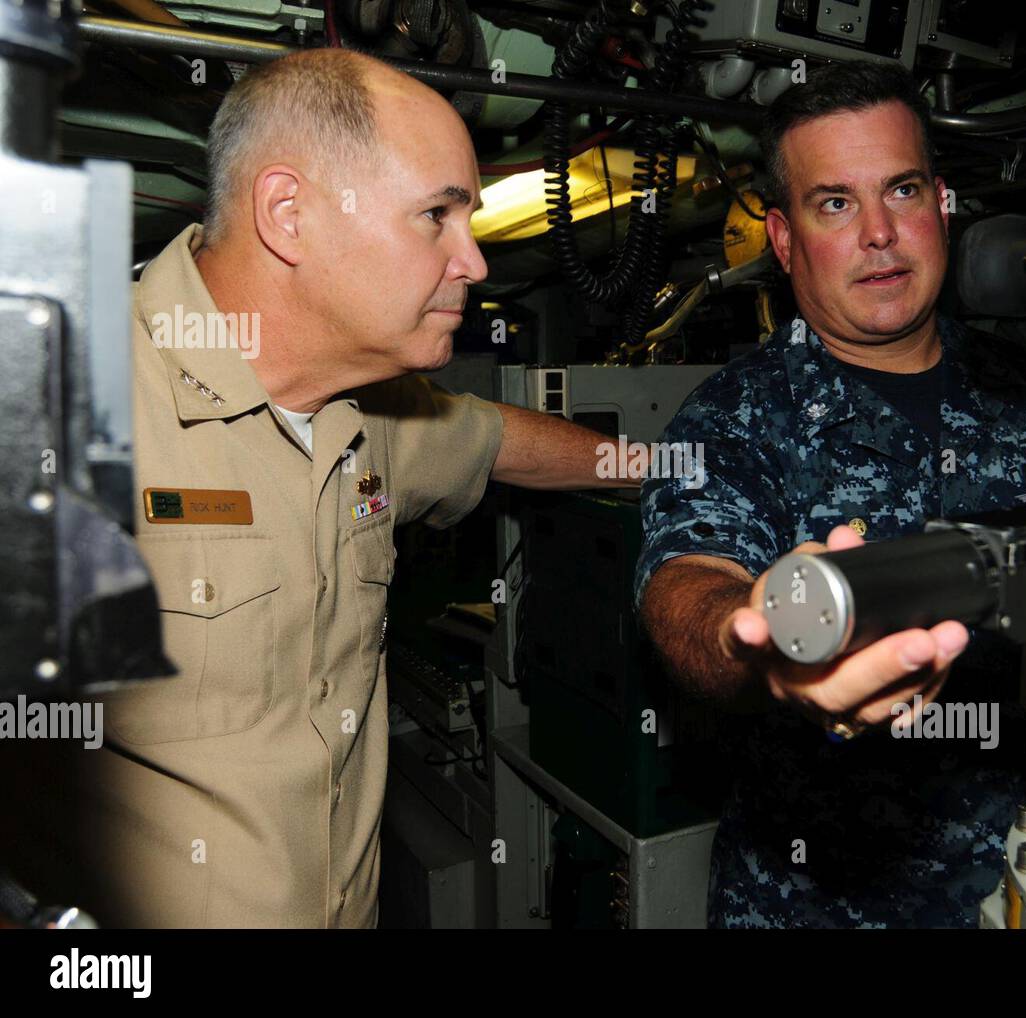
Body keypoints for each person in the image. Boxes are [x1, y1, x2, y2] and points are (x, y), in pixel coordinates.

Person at [65, 47, 626, 927]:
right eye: (437, 215)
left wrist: (673, 473)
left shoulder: (376, 416)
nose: (474, 264)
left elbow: (502, 442)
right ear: (289, 215)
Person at [636, 60, 1026, 928]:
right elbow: (688, 586)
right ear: (784, 242)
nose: (878, 234)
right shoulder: (733, 419)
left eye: (900, 190)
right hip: (817, 905)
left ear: (941, 204)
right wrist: (758, 638)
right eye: (834, 204)